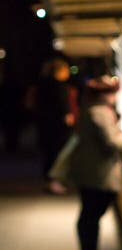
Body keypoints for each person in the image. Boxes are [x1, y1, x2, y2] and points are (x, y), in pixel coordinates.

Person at [70, 76, 122, 250]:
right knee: (91, 214)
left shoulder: (89, 110)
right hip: (97, 172)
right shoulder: (101, 113)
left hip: (88, 170)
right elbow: (111, 143)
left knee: (89, 214)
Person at [34, 57, 73, 192]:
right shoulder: (59, 86)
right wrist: (68, 116)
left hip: (44, 124)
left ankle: (49, 180)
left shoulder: (42, 84)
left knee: (48, 152)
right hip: (57, 125)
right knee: (57, 153)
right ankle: (55, 181)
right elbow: (63, 106)